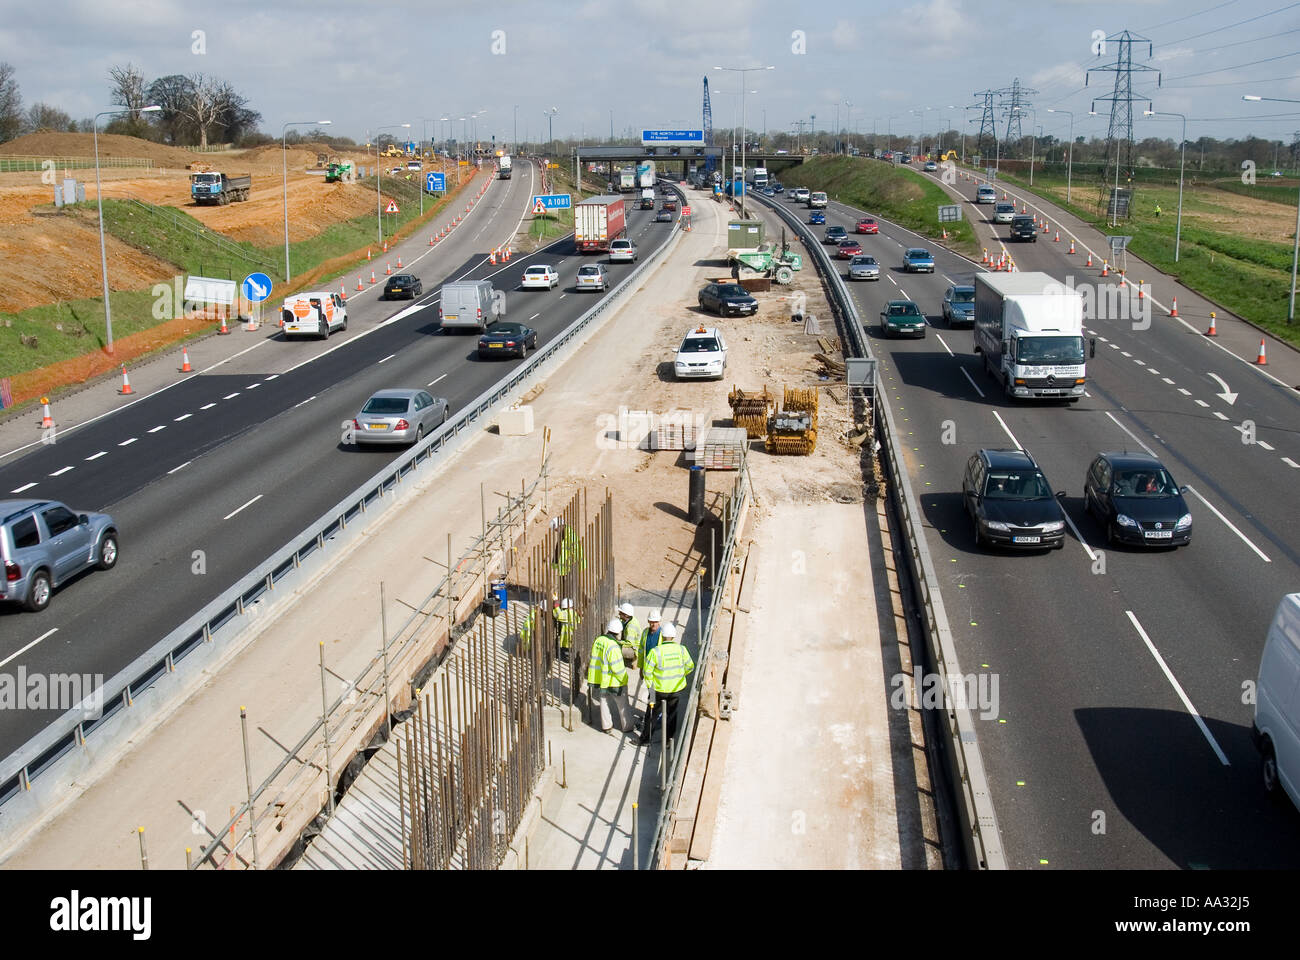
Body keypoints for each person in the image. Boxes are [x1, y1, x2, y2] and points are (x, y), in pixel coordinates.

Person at [639, 622, 694, 747]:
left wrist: (650, 687)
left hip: (657, 690)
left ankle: (645, 739)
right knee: (672, 714)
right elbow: (690, 666)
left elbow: (647, 672)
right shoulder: (681, 650)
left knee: (651, 714)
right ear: (673, 636)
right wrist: (681, 675)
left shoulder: (655, 652)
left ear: (662, 636)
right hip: (676, 689)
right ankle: (669, 740)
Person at [587, 619, 632, 732]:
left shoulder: (599, 640)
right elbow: (617, 668)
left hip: (602, 680)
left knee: (604, 703)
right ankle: (627, 727)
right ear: (618, 632)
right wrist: (625, 679)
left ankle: (606, 726)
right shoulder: (613, 647)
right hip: (614, 681)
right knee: (623, 706)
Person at [616, 602, 642, 668]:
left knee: (615, 649)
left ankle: (635, 658)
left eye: (621, 613)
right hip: (635, 646)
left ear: (626, 615)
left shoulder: (630, 627)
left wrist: (617, 642)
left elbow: (629, 643)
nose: (619, 614)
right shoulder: (629, 620)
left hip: (634, 649)